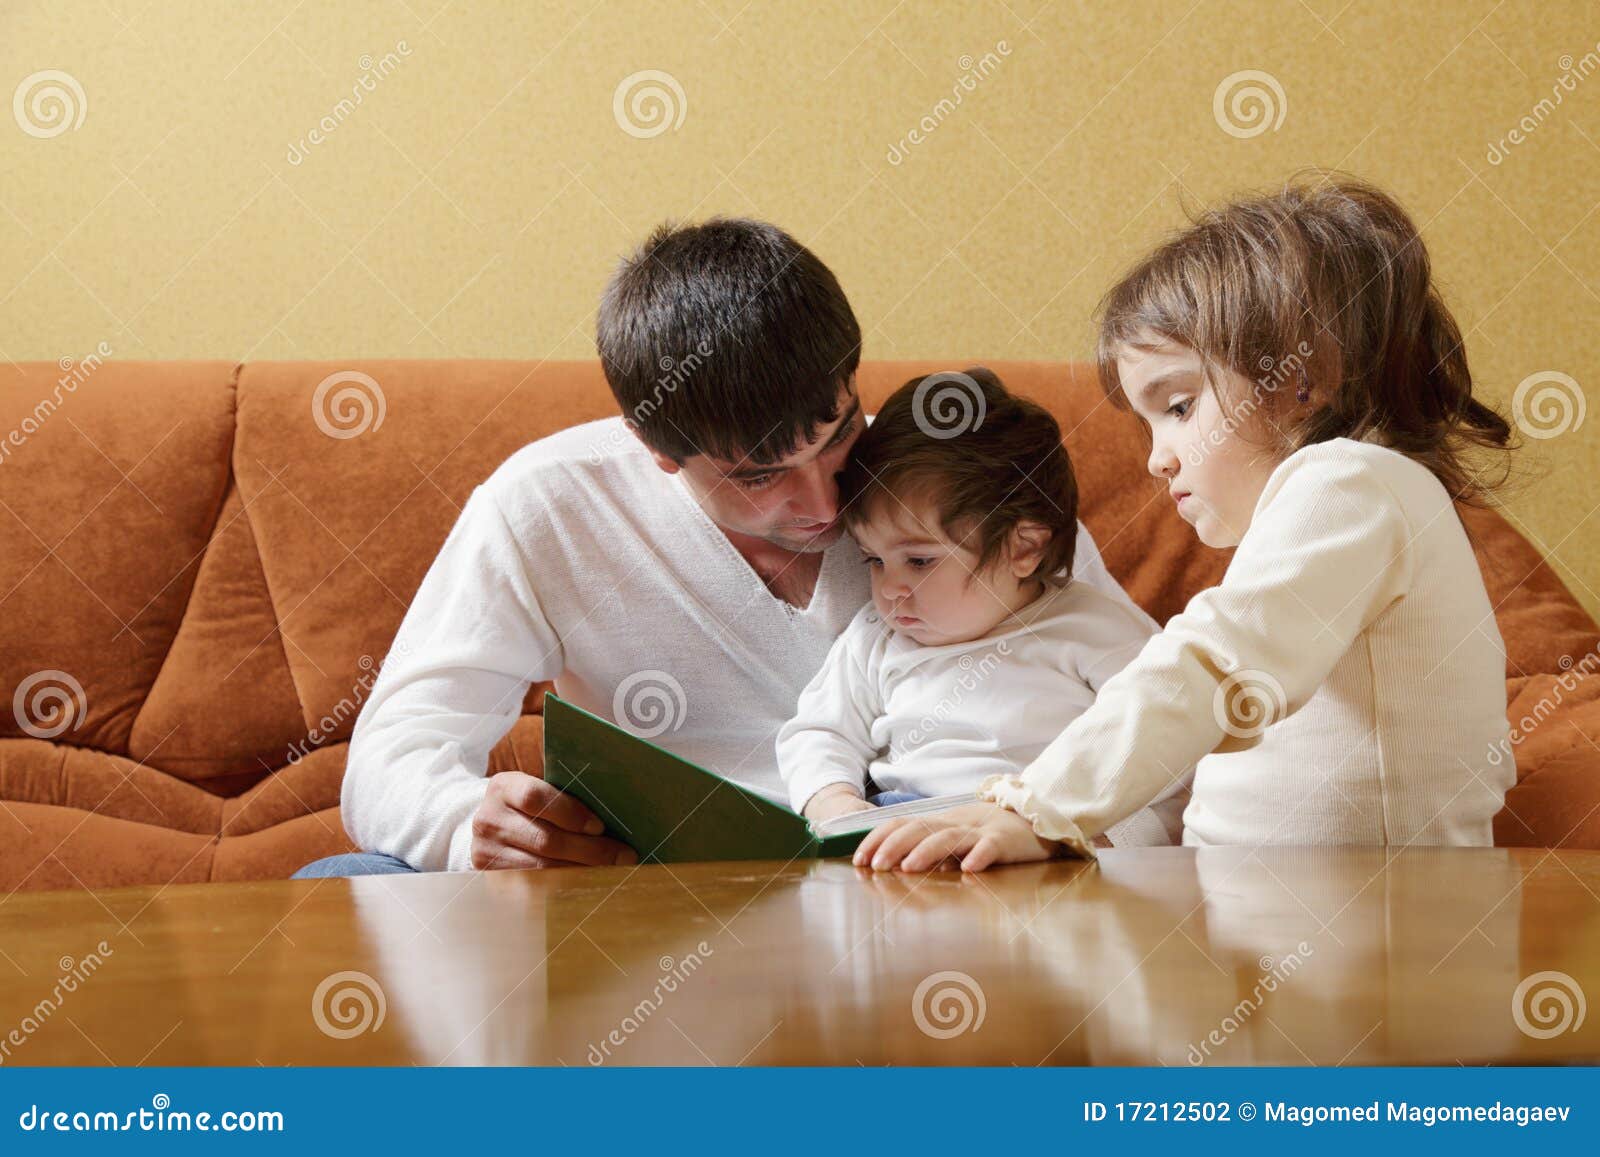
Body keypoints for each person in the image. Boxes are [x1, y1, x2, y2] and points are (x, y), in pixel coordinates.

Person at [292, 218, 1149, 877]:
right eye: (759, 475)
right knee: (340, 882)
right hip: (657, 901)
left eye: (838, 436)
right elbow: (392, 756)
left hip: (920, 885)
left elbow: (1149, 719)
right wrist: (460, 821)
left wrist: (1066, 836)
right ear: (657, 450)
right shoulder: (546, 504)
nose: (827, 503)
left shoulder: (961, 490)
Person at [856, 175, 1517, 873]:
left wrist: (1035, 807)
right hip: (1257, 912)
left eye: (1177, 406)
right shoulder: (1342, 502)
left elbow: (1213, 661)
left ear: (1304, 377)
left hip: (1374, 929)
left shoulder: (1353, 483)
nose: (1157, 459)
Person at [777, 367, 1187, 847]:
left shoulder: (1095, 628)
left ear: (1023, 548)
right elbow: (819, 732)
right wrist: (837, 805)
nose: (890, 589)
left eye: (919, 560)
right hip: (902, 823)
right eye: (874, 560)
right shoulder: (875, 637)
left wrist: (1097, 841)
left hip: (1042, 830)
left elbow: (1174, 756)